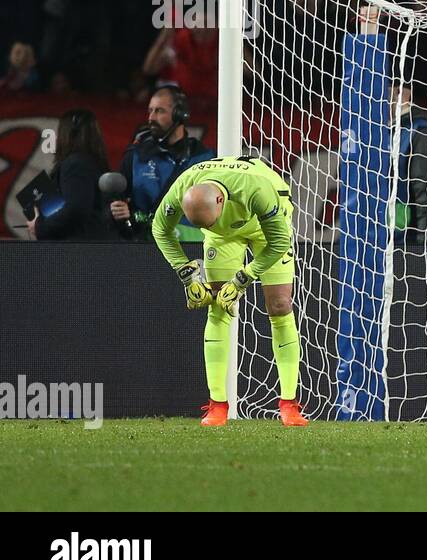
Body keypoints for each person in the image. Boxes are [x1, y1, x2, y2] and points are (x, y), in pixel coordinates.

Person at [152, 156, 308, 429]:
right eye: (201, 227)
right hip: (226, 237)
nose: (205, 230)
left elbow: (279, 240)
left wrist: (244, 278)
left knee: (281, 304)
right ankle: (217, 405)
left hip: (266, 228)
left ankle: (289, 404)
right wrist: (187, 275)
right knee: (218, 304)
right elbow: (160, 229)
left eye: (208, 224)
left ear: (220, 203)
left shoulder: (256, 190)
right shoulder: (181, 188)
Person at [111, 86, 214, 241]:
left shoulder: (204, 158)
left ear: (180, 114)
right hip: (143, 246)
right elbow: (119, 200)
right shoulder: (136, 155)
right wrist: (118, 210)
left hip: (190, 250)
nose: (151, 118)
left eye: (159, 111)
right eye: (150, 111)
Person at [28, 109, 113, 241]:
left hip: (78, 251)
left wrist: (40, 227)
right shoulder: (91, 162)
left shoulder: (76, 163)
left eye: (59, 130)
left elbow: (77, 209)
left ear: (68, 134)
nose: (56, 136)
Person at [393, 82, 427, 244]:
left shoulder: (419, 132)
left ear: (399, 92)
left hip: (408, 248)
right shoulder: (377, 131)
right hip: (382, 243)